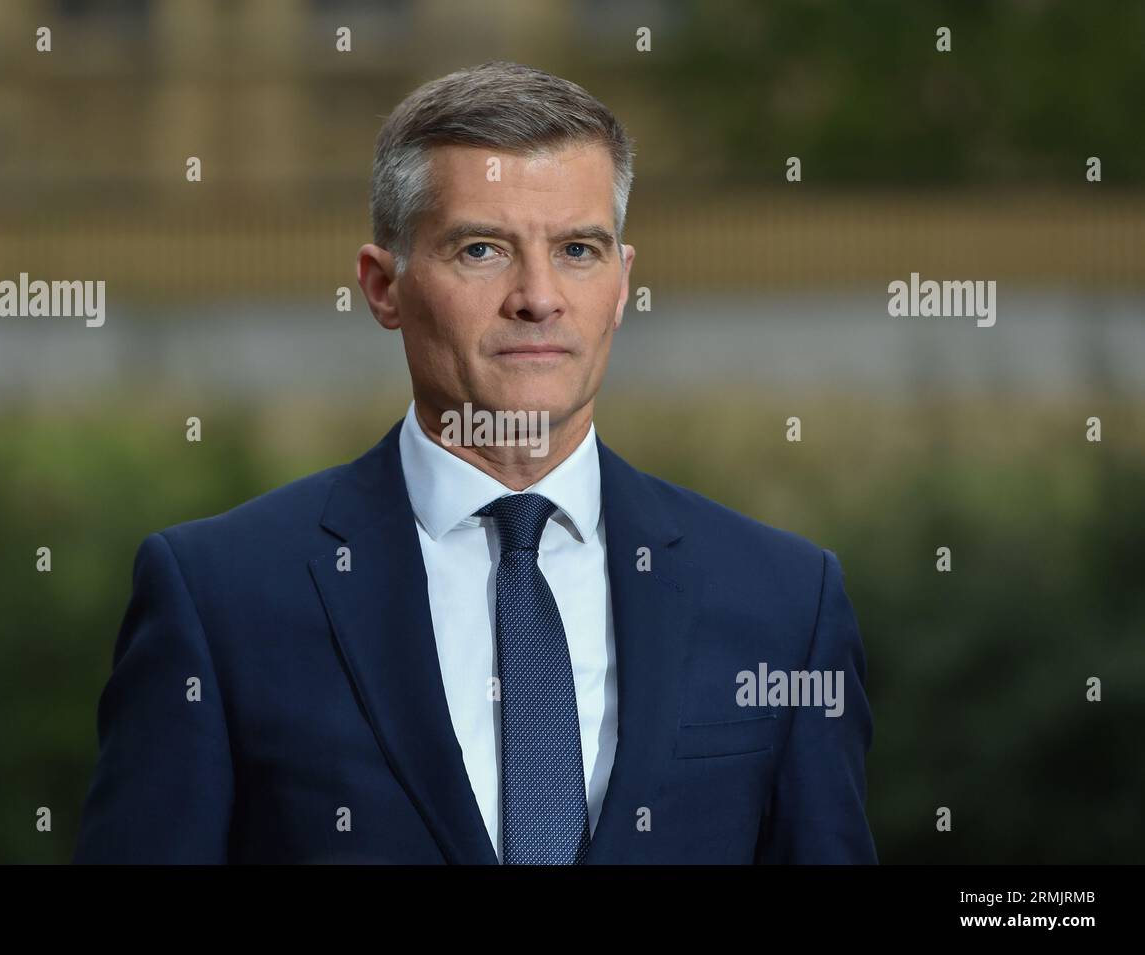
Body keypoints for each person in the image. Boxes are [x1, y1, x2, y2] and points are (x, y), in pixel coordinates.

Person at [74, 60, 877, 864]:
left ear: (623, 282)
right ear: (383, 286)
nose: (538, 295)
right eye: (483, 249)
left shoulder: (784, 603)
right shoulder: (219, 598)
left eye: (578, 249)